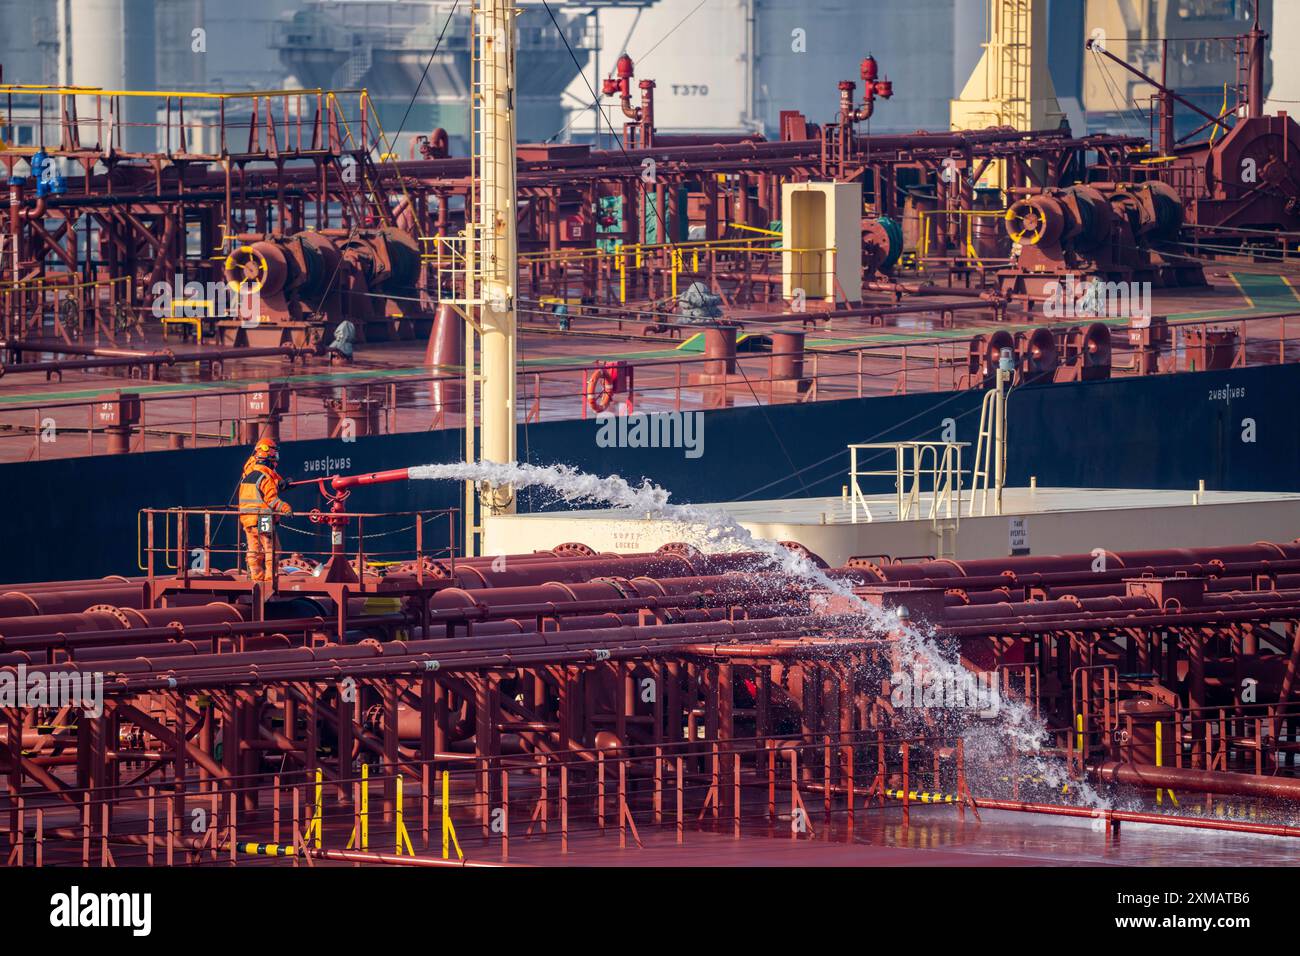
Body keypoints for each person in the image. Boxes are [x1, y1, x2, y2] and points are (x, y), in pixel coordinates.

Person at [238, 438, 293, 584]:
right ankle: (270, 576)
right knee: (272, 547)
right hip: (263, 518)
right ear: (269, 457)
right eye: (274, 455)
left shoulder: (248, 475)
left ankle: (256, 576)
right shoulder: (266, 478)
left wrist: (280, 483)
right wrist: (285, 508)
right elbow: (272, 500)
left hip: (246, 518)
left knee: (253, 548)